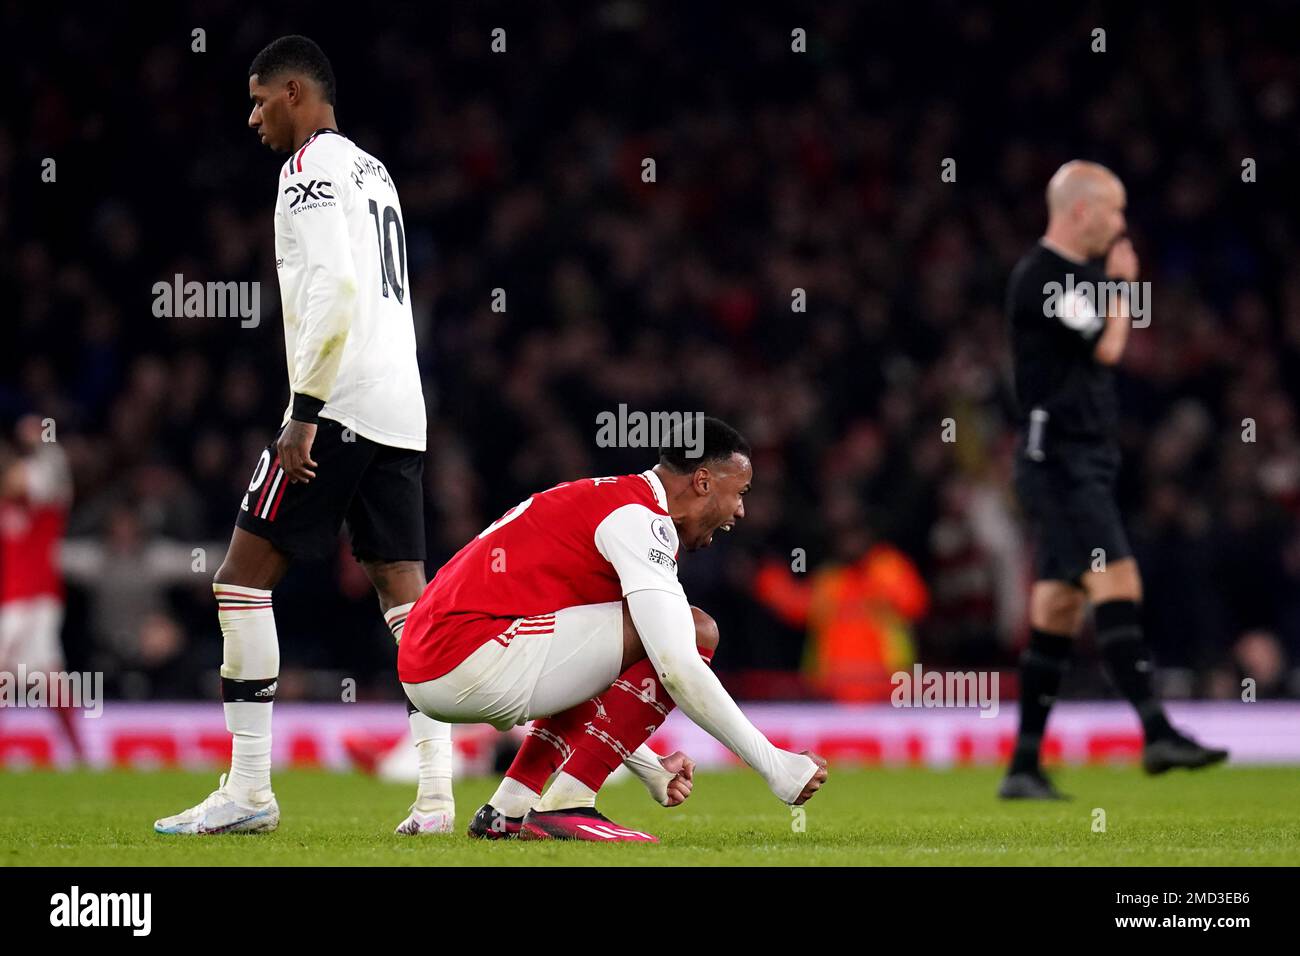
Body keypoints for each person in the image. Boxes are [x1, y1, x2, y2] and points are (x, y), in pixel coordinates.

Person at [155, 36, 453, 835]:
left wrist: (305, 408)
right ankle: (435, 798)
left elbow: (340, 285)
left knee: (240, 580)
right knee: (406, 603)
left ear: (295, 91)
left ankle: (249, 788)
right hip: (402, 411)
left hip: (342, 405)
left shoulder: (307, 169)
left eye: (258, 101)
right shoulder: (373, 170)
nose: (252, 118)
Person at [399, 417, 828, 842]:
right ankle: (568, 803)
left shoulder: (604, 498)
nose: (740, 510)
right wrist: (774, 765)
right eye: (739, 492)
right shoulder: (640, 519)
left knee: (637, 633)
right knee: (694, 631)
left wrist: (647, 765)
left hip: (430, 669)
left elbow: (579, 667)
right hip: (468, 657)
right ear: (702, 482)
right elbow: (678, 666)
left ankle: (507, 808)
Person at [1001, 160, 1227, 799]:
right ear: (1081, 211)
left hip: (1082, 458)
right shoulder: (1042, 278)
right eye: (1115, 209)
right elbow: (1106, 346)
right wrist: (1123, 288)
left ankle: (1022, 766)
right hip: (1060, 462)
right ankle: (1157, 731)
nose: (1122, 223)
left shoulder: (1073, 279)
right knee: (1118, 580)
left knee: (1058, 607)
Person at [0, 416, 81, 761]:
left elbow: (56, 475)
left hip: (36, 600)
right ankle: (79, 752)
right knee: (48, 674)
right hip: (17, 600)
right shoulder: (7, 509)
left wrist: (43, 440)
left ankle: (80, 752)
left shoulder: (46, 508)